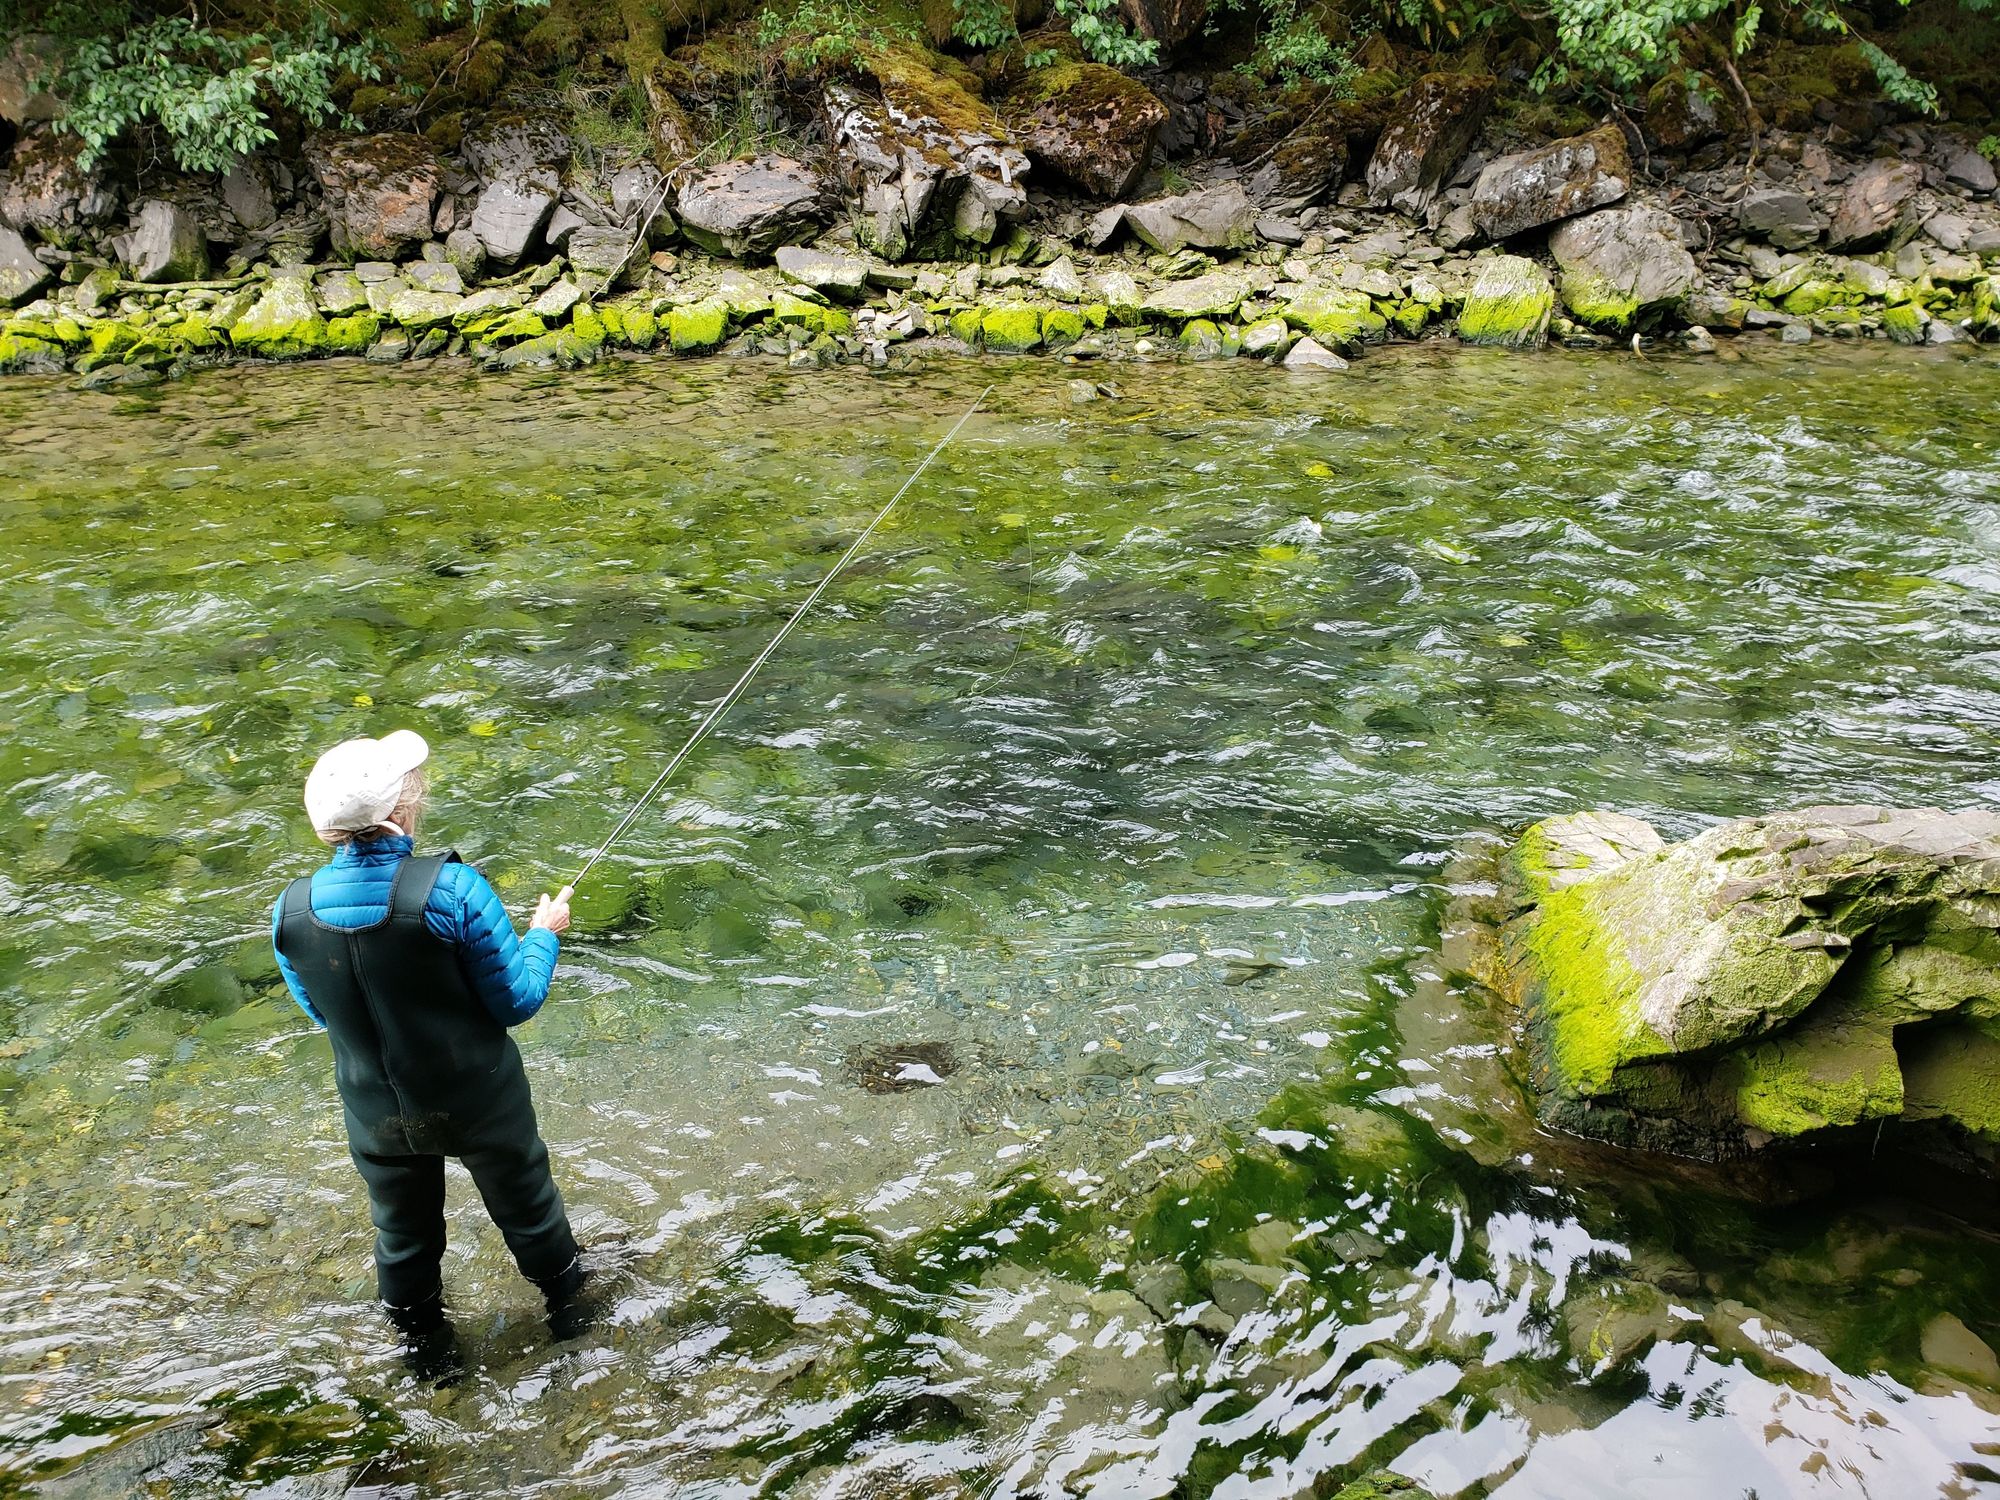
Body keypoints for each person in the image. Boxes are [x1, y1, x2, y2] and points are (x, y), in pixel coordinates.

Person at [271, 728, 594, 1381]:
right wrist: (543, 935)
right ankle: (573, 1329)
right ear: (399, 812)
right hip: (478, 1101)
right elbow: (518, 1000)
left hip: (374, 1113)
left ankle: (429, 1367)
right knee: (530, 1210)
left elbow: (322, 1012)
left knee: (403, 1236)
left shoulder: (291, 910)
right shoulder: (453, 891)